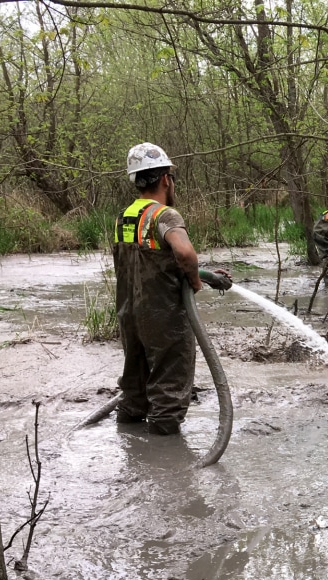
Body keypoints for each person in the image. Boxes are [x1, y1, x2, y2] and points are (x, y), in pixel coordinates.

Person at [114, 142, 226, 435]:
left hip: (129, 314)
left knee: (134, 386)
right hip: (163, 316)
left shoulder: (124, 216)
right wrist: (196, 282)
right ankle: (166, 453)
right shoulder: (165, 215)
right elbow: (184, 253)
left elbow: (149, 261)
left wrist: (207, 275)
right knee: (169, 388)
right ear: (165, 179)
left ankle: (130, 443)